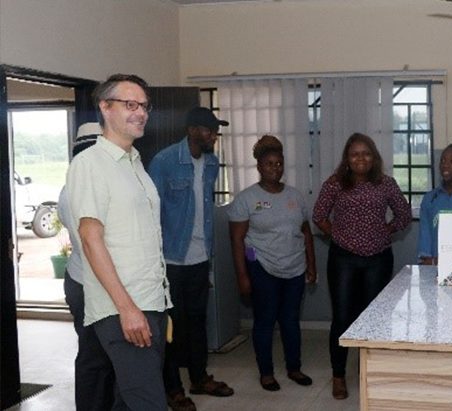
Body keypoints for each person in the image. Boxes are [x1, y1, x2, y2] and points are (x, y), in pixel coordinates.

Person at [65, 74, 171, 410]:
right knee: (149, 402)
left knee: (127, 400)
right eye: (130, 104)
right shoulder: (90, 163)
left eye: (144, 106)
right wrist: (127, 309)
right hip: (122, 306)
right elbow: (90, 238)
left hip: (150, 301)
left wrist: (161, 303)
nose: (140, 112)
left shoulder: (136, 164)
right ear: (105, 107)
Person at [312, 132, 411, 400]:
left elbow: (404, 214)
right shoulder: (335, 184)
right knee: (343, 318)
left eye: (366, 153)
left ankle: (370, 372)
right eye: (355, 153)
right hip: (343, 259)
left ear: (374, 157)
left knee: (375, 319)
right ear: (347, 158)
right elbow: (318, 214)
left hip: (378, 259)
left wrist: (386, 230)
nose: (360, 158)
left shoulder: (386, 184)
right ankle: (338, 376)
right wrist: (337, 235)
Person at [148, 107, 234, 410]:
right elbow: (151, 213)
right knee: (172, 328)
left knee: (198, 323)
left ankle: (199, 378)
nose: (214, 136)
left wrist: (208, 260)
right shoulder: (165, 161)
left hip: (200, 258)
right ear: (193, 130)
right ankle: (173, 389)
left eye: (215, 131)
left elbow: (205, 211)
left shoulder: (211, 162)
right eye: (210, 130)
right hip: (171, 259)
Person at [227, 135, 317, 392]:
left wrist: (311, 265)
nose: (274, 168)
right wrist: (243, 276)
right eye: (269, 164)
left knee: (290, 320)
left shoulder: (295, 197)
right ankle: (266, 372)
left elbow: (306, 233)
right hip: (262, 267)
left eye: (279, 164)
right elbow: (236, 241)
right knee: (265, 321)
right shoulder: (246, 198)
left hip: (295, 268)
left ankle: (294, 368)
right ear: (259, 166)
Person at [60, 122, 115, 411]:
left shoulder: (68, 188)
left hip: (82, 280)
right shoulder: (82, 191)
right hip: (92, 285)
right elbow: (98, 246)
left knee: (101, 358)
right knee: (96, 359)